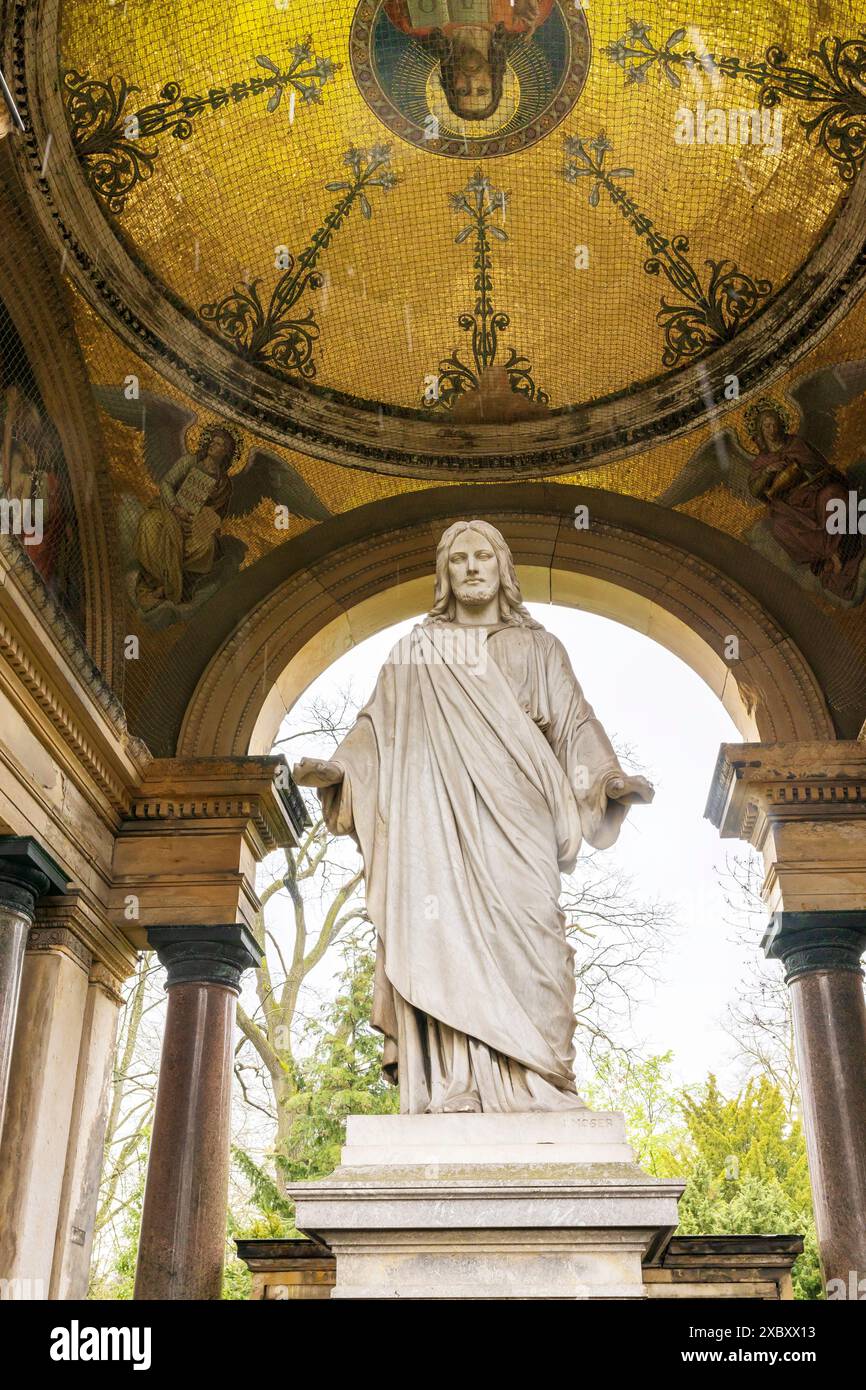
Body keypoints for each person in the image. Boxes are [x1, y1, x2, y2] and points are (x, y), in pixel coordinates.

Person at [294, 519, 652, 1113]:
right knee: (443, 930)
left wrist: (606, 781)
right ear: (444, 573)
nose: (472, 567)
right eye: (458, 559)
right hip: (438, 829)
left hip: (522, 818)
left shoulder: (539, 647)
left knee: (538, 937)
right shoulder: (416, 652)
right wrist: (342, 773)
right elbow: (373, 730)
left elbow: (575, 725)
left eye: (484, 555)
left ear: (504, 566)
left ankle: (541, 1081)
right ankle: (457, 1083)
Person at [748, 404, 865, 601]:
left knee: (834, 495)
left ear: (782, 424)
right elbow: (755, 490)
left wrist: (800, 467)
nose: (772, 429)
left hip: (815, 490)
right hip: (789, 505)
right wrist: (768, 472)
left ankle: (838, 547)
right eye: (767, 426)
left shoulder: (797, 443)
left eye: (775, 424)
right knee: (780, 527)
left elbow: (820, 465)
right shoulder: (762, 461)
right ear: (761, 431)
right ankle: (829, 553)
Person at [384, 0, 553, 122]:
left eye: (463, 90)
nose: (471, 81)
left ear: (451, 82)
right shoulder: (528, 16)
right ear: (494, 80)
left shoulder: (410, 23)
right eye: (481, 89)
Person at [134, 425, 238, 611]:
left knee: (207, 546)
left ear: (226, 452)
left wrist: (203, 521)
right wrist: (176, 507)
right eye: (213, 441)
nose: (213, 445)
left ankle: (169, 586)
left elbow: (217, 513)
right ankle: (156, 583)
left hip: (193, 524)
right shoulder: (190, 461)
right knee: (148, 524)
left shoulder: (224, 483)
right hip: (169, 512)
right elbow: (166, 483)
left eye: (219, 444)